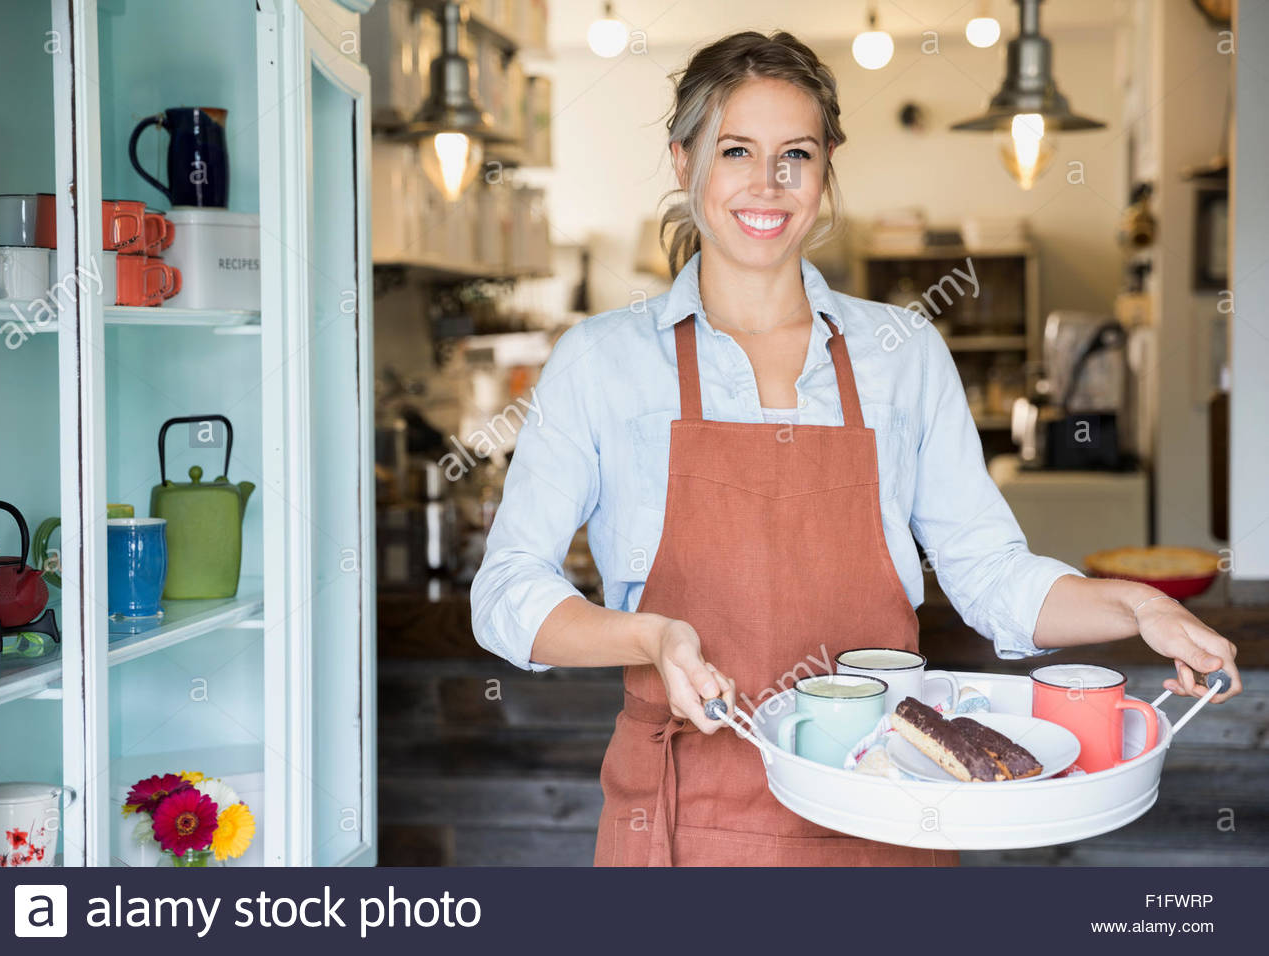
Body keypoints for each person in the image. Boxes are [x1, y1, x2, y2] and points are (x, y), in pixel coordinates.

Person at [470, 30, 1241, 867]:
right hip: (685, 823)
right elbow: (507, 593)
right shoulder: (603, 361)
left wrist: (1135, 607)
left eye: (795, 155)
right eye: (736, 150)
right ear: (682, 158)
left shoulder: (899, 354)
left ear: (826, 166)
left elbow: (987, 572)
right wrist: (650, 639)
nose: (767, 184)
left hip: (891, 818)